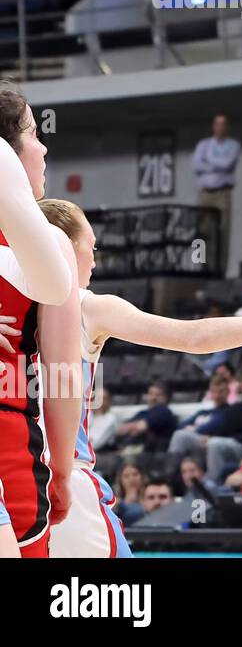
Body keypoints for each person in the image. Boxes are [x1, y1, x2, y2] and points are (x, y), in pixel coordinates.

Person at [27, 198, 242, 557]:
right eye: (92, 246)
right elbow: (194, 337)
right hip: (66, 485)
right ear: (69, 247)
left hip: (12, 483)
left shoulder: (9, 309)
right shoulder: (89, 306)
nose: (95, 259)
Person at [0, 83, 82, 558]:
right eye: (33, 133)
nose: (44, 146)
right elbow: (63, 376)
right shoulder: (49, 242)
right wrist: (64, 470)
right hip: (9, 442)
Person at [193, 114, 241, 274]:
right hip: (205, 193)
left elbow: (227, 164)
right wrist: (216, 164)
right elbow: (197, 166)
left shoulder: (233, 145)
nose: (220, 127)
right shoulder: (204, 144)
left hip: (222, 193)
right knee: (201, 230)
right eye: (217, 124)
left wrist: (208, 160)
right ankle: (199, 266)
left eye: (223, 124)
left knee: (222, 231)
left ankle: (220, 270)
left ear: (227, 127)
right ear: (213, 127)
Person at [106, 380, 177, 454]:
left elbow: (141, 427)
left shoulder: (164, 412)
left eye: (158, 395)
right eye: (151, 394)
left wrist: (132, 429)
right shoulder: (142, 413)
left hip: (152, 455)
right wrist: (134, 428)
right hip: (129, 449)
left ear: (166, 397)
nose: (153, 398)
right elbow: (120, 430)